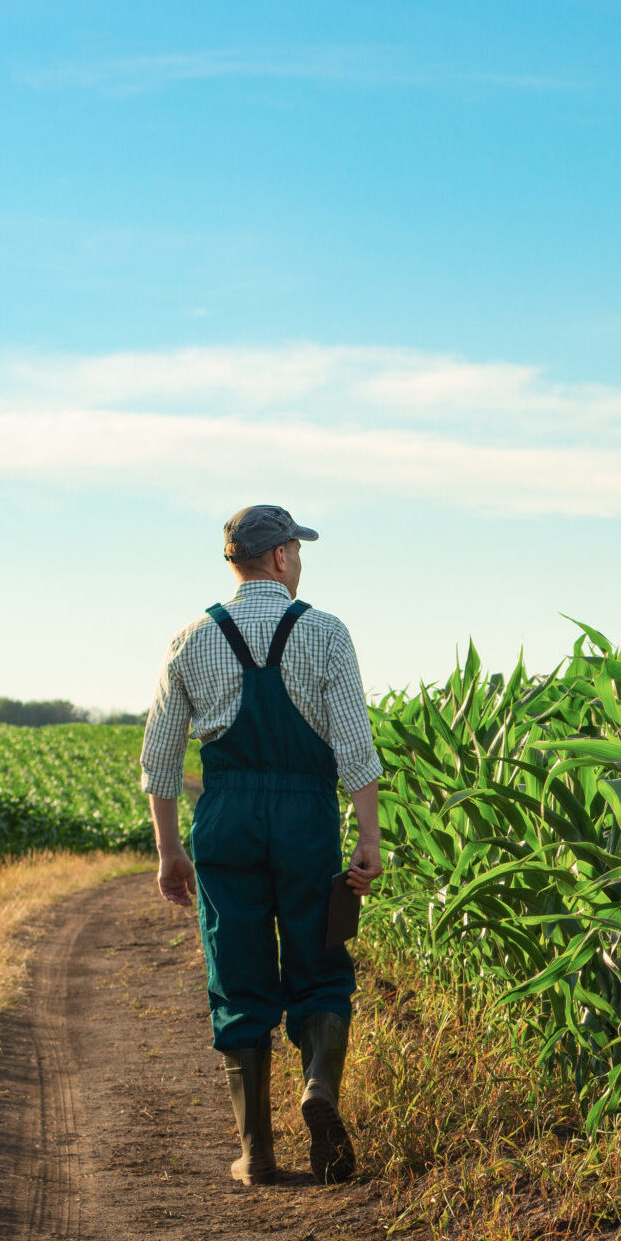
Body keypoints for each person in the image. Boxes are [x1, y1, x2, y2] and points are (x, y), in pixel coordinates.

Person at [139, 506, 383, 1187]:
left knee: (238, 974)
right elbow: (355, 747)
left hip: (227, 819)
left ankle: (258, 1154)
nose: (299, 561)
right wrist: (368, 836)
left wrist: (168, 849)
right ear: (280, 556)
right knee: (321, 962)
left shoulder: (191, 639)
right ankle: (318, 1086)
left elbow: (160, 759)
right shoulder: (325, 632)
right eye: (297, 550)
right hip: (306, 819)